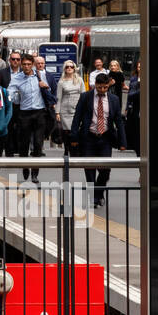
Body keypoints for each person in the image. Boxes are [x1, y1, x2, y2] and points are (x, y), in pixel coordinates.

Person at [70, 72, 127, 207]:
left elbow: (119, 121)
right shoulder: (85, 97)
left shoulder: (114, 99)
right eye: (100, 87)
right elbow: (77, 117)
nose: (102, 90)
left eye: (105, 87)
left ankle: (99, 192)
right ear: (95, 85)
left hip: (105, 138)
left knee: (105, 169)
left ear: (108, 86)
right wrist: (74, 137)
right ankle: (94, 197)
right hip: (88, 137)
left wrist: (122, 142)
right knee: (89, 169)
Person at [8, 54, 48, 185]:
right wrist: (15, 97)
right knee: (23, 144)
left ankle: (35, 173)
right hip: (24, 113)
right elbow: (10, 93)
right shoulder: (17, 78)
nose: (26, 67)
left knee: (38, 144)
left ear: (33, 65)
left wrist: (45, 86)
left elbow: (50, 90)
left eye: (28, 64)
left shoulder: (40, 75)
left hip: (39, 112)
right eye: (24, 64)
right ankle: (25, 166)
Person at [55, 60, 85, 148]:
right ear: (64, 69)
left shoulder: (79, 80)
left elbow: (84, 95)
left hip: (77, 108)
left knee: (76, 129)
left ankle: (75, 149)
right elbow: (59, 98)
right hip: (65, 110)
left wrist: (84, 109)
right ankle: (66, 150)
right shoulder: (61, 82)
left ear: (74, 68)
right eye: (67, 67)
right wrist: (57, 112)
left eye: (71, 67)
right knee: (66, 131)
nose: (69, 68)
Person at [125, 61, 141, 156]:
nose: (141, 69)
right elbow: (130, 95)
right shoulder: (133, 80)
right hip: (136, 110)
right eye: (139, 67)